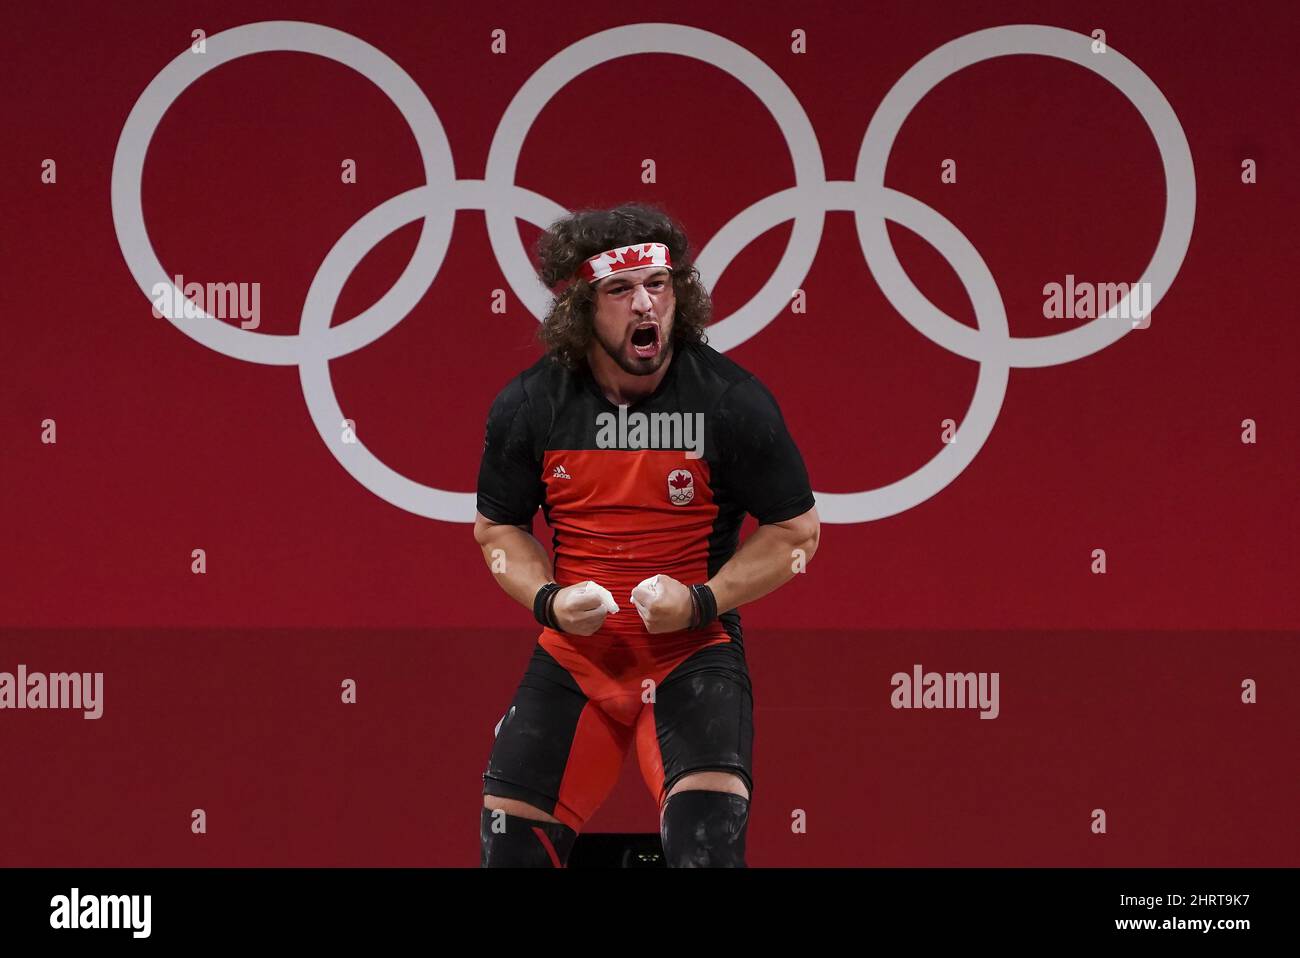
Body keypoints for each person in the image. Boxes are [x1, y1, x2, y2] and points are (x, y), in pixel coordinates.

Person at [474, 202, 819, 867]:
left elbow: (796, 533)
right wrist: (550, 600)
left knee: (705, 851)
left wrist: (700, 602)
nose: (645, 306)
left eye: (658, 286)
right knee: (509, 850)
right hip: (577, 662)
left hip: (694, 655)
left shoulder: (731, 401)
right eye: (620, 289)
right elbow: (497, 530)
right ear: (581, 307)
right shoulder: (529, 405)